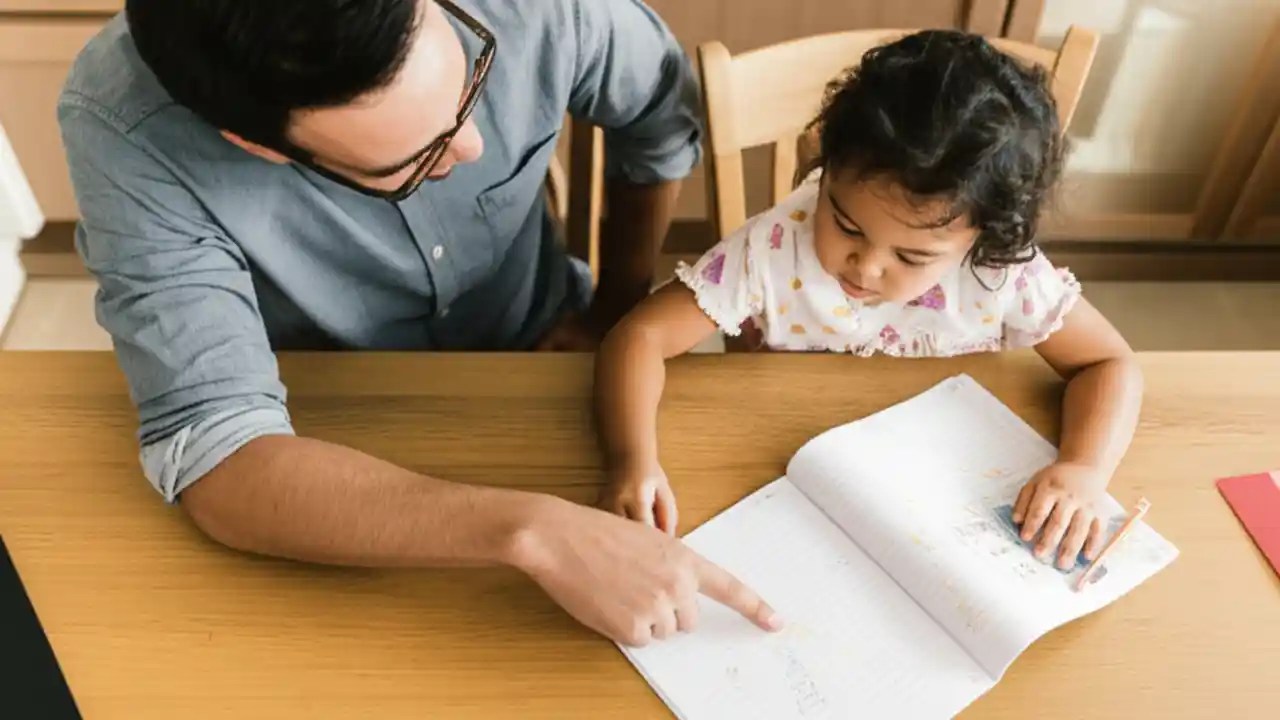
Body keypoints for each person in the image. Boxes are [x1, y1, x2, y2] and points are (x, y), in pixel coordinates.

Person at [59, 0, 779, 647]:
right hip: (330, 437)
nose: (471, 148)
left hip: (545, 346)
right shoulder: (125, 129)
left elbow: (657, 112)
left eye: (470, 80)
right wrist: (534, 534)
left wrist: (612, 310)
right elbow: (218, 453)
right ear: (260, 148)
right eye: (417, 159)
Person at [596, 30, 1144, 572]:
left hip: (939, 493)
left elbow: (1108, 363)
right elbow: (638, 338)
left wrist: (1084, 467)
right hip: (784, 474)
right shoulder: (776, 245)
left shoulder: (1001, 273)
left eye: (911, 257)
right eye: (845, 224)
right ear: (825, 166)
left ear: (983, 238)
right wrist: (632, 461)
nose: (866, 266)